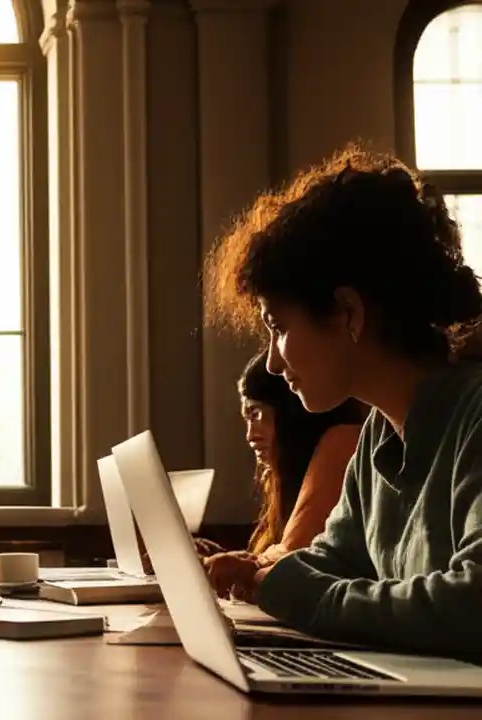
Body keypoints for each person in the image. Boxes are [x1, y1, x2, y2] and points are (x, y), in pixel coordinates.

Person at [202, 146, 482, 655]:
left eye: (278, 328)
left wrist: (296, 593)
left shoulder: (475, 415)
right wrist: (255, 573)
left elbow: (473, 606)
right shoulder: (379, 431)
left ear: (349, 313)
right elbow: (333, 560)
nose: (272, 363)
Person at [202, 350, 365, 597]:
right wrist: (221, 560)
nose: (250, 435)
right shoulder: (290, 473)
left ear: (290, 410)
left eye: (256, 414)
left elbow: (294, 556)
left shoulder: (343, 441)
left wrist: (229, 566)